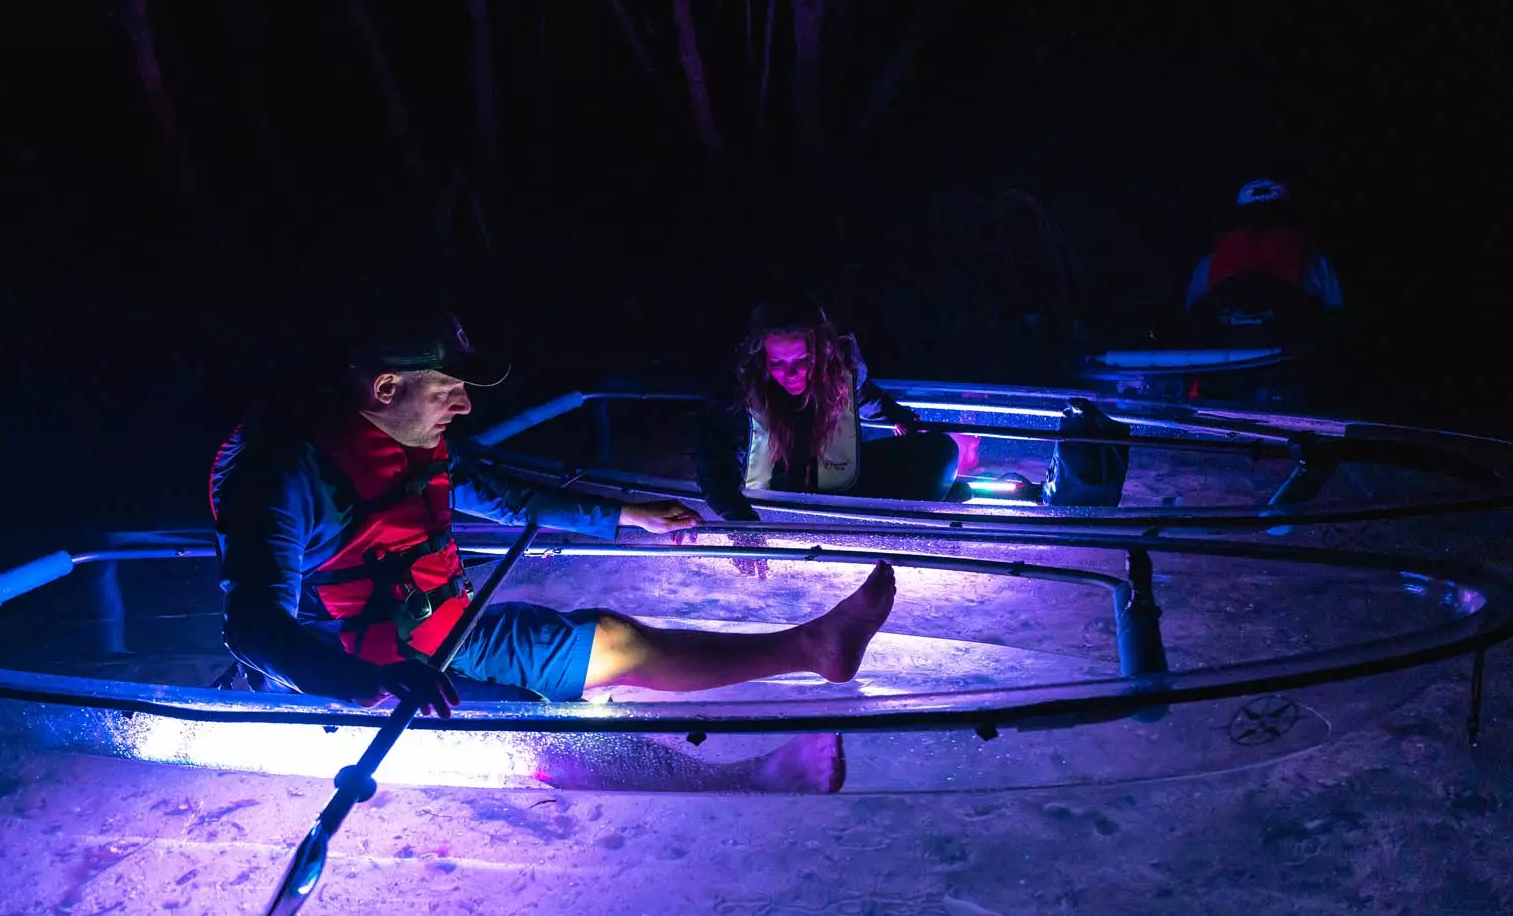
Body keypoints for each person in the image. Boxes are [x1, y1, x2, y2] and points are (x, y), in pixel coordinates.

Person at [208, 299, 898, 732]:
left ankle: (813, 647)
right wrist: (360, 685)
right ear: (386, 386)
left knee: (616, 639)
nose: (465, 407)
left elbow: (502, 494)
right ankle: (751, 777)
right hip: (369, 672)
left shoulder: (409, 433)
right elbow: (254, 624)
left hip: (450, 628)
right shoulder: (278, 468)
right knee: (547, 728)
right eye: (449, 390)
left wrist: (624, 513)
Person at [696, 296, 964, 525]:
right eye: (777, 363)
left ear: (821, 353)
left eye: (801, 360)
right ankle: (920, 520)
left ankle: (923, 515)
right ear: (762, 357)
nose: (790, 374)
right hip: (782, 498)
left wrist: (895, 414)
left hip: (836, 482)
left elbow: (863, 395)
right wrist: (741, 518)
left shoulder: (839, 371)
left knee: (943, 451)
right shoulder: (739, 396)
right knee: (952, 490)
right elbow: (715, 464)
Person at [1184, 179, 1342, 336]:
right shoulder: (1315, 262)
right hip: (1283, 351)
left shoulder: (1209, 263)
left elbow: (1191, 318)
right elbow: (1335, 314)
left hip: (1233, 352)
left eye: (1271, 216)